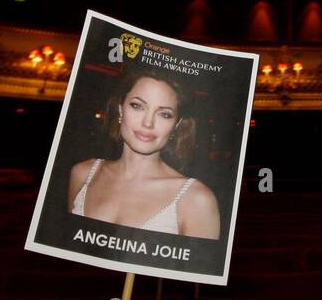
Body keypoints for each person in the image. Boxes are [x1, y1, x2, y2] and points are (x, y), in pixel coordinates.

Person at [68, 68, 221, 239]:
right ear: (120, 110)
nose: (148, 123)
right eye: (137, 106)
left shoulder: (197, 199)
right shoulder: (82, 173)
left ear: (176, 125)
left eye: (164, 114)